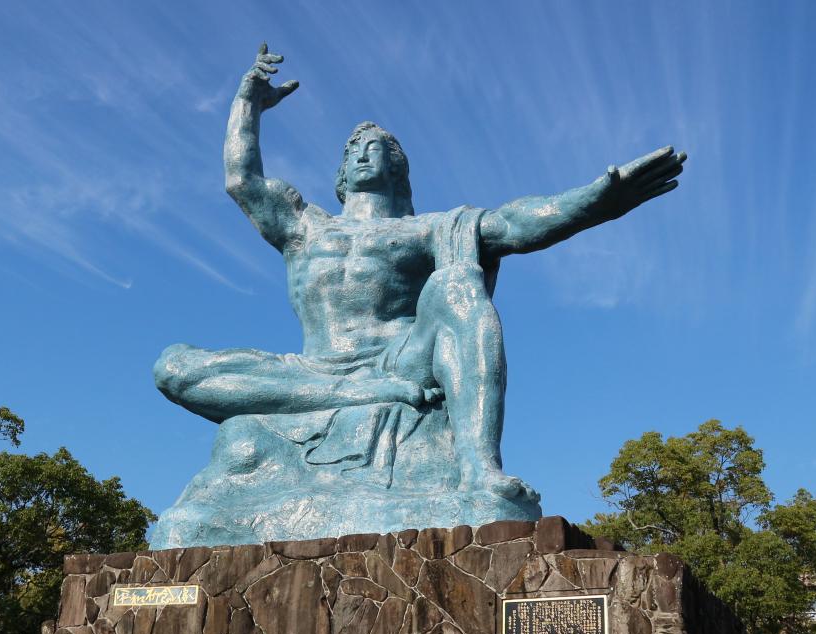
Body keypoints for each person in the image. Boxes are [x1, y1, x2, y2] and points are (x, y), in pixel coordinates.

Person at [151, 45, 685, 544]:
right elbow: (242, 180)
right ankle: (360, 395)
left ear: (397, 167)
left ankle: (479, 471)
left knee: (456, 283)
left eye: (377, 148)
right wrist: (248, 102)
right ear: (340, 172)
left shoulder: (432, 228)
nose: (364, 154)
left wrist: (597, 199)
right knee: (174, 367)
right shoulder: (303, 228)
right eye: (355, 149)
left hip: (399, 359)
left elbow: (519, 223)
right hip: (315, 372)